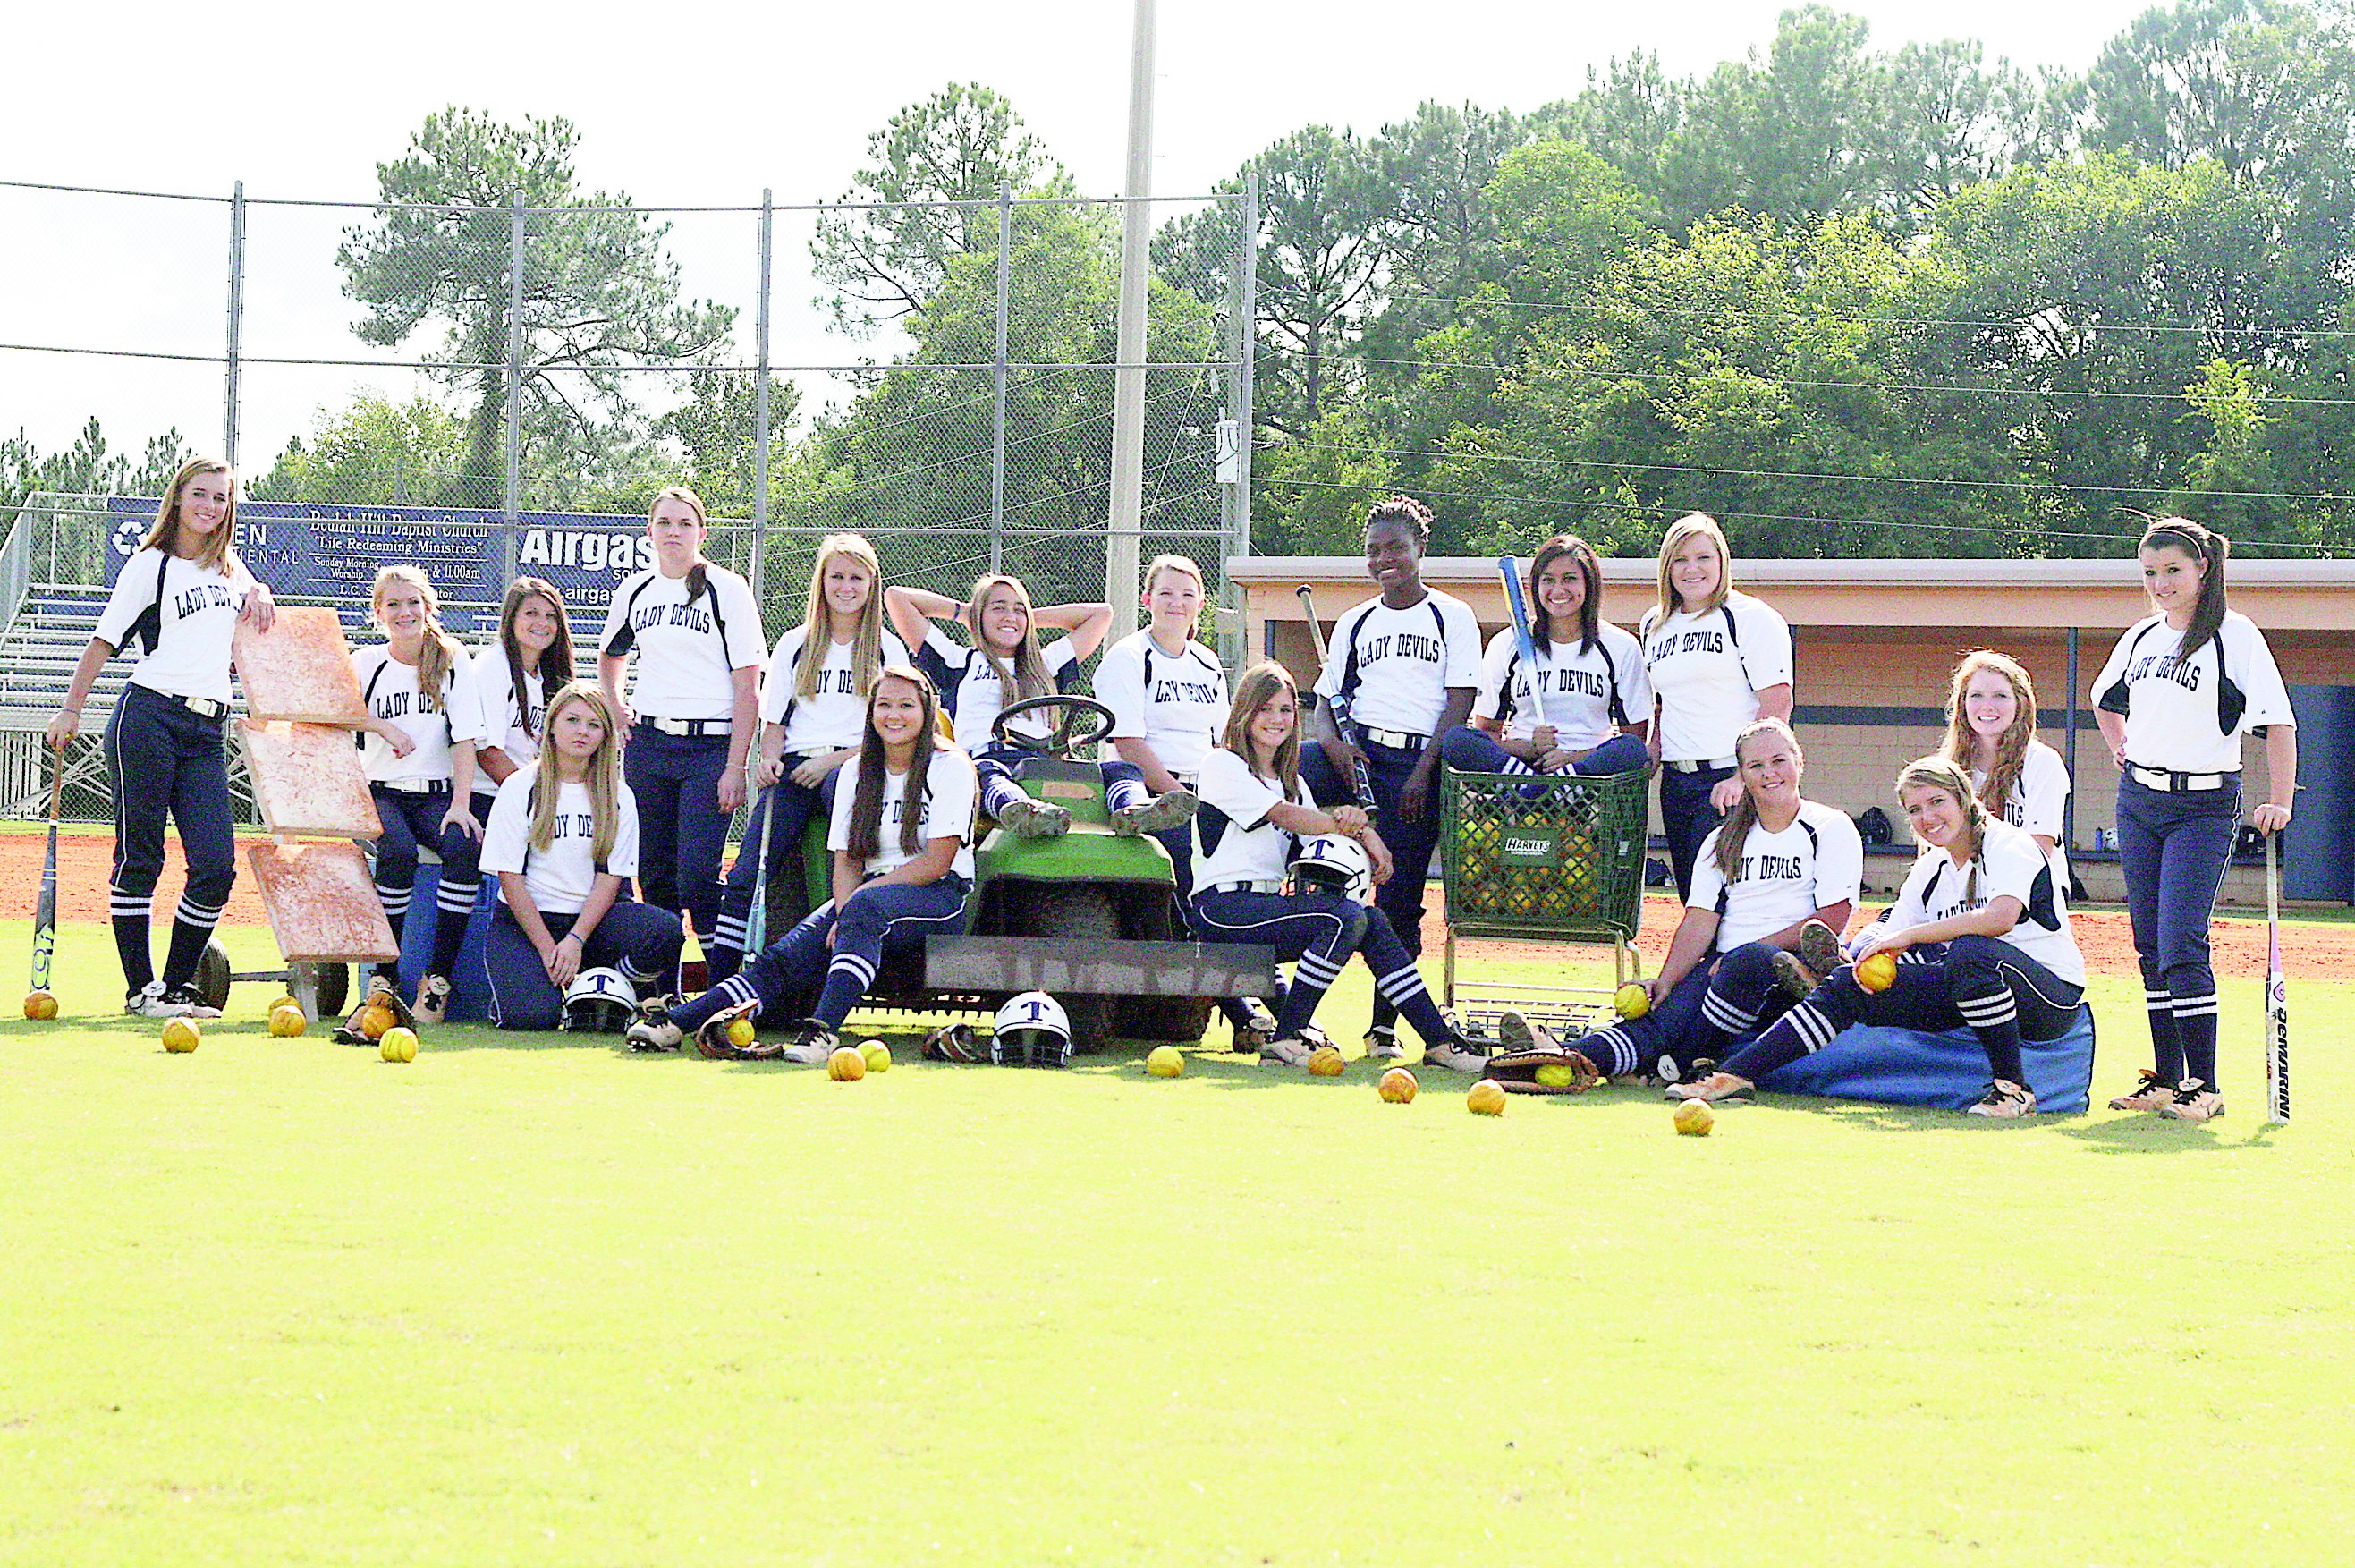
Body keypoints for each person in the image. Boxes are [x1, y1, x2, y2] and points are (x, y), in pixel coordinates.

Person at [1667, 756, 2087, 1117]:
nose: (1928, 818)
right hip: (1972, 987)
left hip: (2050, 999)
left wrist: (1908, 937)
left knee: (1971, 952)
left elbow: (2001, 917)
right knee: (1850, 986)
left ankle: (2013, 1092)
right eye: (1916, 810)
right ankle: (1735, 1075)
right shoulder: (1930, 868)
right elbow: (1891, 926)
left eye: (1937, 802)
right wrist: (1859, 953)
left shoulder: (2007, 844)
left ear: (1964, 798)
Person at [632, 665, 977, 1062]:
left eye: (906, 705)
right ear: (871, 713)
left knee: (863, 910)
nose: (893, 715)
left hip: (938, 897)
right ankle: (676, 1023)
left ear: (926, 711)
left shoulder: (950, 765)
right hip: (866, 898)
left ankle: (822, 1032)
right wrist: (849, 912)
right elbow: (847, 862)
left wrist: (856, 907)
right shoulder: (855, 770)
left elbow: (935, 863)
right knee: (786, 956)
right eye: (884, 705)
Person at [1503, 718, 1859, 1085]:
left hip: (1792, 969)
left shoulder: (1830, 826)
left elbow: (1832, 918)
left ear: (1799, 762)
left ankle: (1665, 1062)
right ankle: (1561, 1059)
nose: (1769, 773)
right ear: (1743, 775)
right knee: (1661, 1016)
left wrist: (1743, 955)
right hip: (1722, 969)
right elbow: (1699, 922)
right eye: (1756, 766)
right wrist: (1667, 981)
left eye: (1778, 760)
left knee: (1746, 964)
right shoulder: (1722, 839)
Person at [47, 457, 275, 1018]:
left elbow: (254, 594)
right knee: (140, 859)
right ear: (178, 498)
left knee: (216, 866)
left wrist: (262, 589)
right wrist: (70, 710)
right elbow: (104, 641)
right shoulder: (149, 565)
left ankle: (176, 987)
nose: (211, 507)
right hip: (147, 719)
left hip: (206, 729)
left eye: (221, 498)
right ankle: (140, 990)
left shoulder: (231, 567)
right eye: (201, 495)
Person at [2093, 518, 2296, 1123]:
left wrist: (2279, 799)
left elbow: (2277, 723)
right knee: (2149, 942)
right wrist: (2118, 747)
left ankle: (2202, 1084)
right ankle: (2165, 1076)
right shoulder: (2138, 638)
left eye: (2171, 570)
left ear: (2201, 568)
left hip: (2203, 805)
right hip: (2139, 799)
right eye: (2149, 572)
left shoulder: (2234, 636)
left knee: (2181, 938)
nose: (2159, 583)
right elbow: (2103, 700)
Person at [1192, 664, 1488, 1071]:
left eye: (1286, 710)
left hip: (1262, 910)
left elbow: (1319, 834)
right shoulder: (1222, 764)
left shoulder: (1290, 780)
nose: (1277, 720)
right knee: (1342, 918)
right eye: (1265, 709)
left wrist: (1362, 835)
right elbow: (1287, 817)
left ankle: (1439, 1043)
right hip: (1221, 913)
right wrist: (1363, 829)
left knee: (1371, 919)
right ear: (1244, 712)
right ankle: (1288, 1037)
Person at [1301, 496, 1483, 1060]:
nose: (1385, 559)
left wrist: (1422, 776)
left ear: (1419, 550)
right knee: (1327, 879)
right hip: (1358, 758)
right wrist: (1333, 746)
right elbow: (1326, 701)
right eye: (1374, 550)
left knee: (1398, 896)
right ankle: (1290, 1011)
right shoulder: (1356, 620)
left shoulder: (1451, 615)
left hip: (1418, 767)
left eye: (1396, 548)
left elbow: (1460, 701)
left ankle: (1384, 1025)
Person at [705, 534, 908, 984]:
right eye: (837, 576)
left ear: (872, 584)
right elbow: (773, 726)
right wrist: (768, 761)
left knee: (851, 860)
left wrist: (833, 762)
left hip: (858, 768)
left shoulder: (887, 648)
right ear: (822, 582)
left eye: (857, 577)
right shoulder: (795, 644)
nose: (846, 587)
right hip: (797, 769)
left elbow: (894, 730)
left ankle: (842, 963)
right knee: (747, 874)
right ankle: (718, 988)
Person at [1093, 554, 1274, 1043]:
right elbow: (1127, 742)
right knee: (1199, 891)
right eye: (1166, 593)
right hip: (1149, 794)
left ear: (1200, 605)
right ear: (1148, 599)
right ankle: (1246, 1007)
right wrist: (1180, 800)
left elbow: (1223, 741)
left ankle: (1269, 994)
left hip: (1206, 793)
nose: (1177, 603)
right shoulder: (1128, 657)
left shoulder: (1208, 663)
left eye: (1188, 594)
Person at [886, 573, 1191, 838]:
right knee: (986, 773)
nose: (1010, 617)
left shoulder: (1046, 664)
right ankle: (1022, 811)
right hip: (990, 758)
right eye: (998, 608)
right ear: (979, 615)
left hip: (1046, 760)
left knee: (1123, 769)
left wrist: (1027, 617)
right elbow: (897, 598)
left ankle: (1134, 811)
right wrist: (968, 612)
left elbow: (1101, 614)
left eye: (1019, 610)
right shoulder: (959, 662)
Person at [597, 486, 764, 970]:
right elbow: (611, 656)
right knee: (653, 872)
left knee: (697, 873)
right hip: (649, 744)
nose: (673, 532)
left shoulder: (726, 589)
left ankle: (722, 979)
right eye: (664, 523)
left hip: (710, 747)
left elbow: (748, 686)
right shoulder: (636, 590)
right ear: (650, 531)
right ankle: (661, 984)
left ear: (702, 533)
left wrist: (736, 765)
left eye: (684, 523)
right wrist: (616, 704)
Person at [411, 574, 575, 1024]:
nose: (541, 623)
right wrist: (541, 797)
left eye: (549, 615)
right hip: (492, 795)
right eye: (530, 614)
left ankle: (593, 983)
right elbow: (485, 751)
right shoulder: (493, 666)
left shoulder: (554, 676)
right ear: (511, 620)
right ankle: (437, 980)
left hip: (536, 798)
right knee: (466, 854)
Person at [479, 682, 683, 1031]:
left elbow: (610, 878)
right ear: (552, 725)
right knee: (533, 1019)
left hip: (592, 925)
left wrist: (575, 941)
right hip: (527, 925)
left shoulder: (618, 795)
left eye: (593, 724)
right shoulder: (520, 787)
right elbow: (509, 880)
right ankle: (521, 993)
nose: (581, 731)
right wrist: (548, 950)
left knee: (665, 931)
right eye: (572, 720)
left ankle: (614, 986)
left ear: (605, 735)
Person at [1639, 513, 1794, 902]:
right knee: (1692, 894)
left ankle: (1731, 965)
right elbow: (1663, 704)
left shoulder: (1750, 617)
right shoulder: (1654, 624)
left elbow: (1777, 705)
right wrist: (1652, 753)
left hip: (1729, 780)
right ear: (1666, 567)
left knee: (1724, 898)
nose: (1692, 569)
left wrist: (1745, 776)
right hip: (1677, 781)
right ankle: (1705, 963)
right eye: (1680, 559)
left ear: (1722, 561)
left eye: (1703, 557)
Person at [352, 565, 487, 1005]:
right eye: (393, 604)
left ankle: (438, 978)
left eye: (413, 602)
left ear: (428, 607)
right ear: (378, 611)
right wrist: (382, 727)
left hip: (435, 792)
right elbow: (337, 714)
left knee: (463, 847)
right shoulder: (366, 662)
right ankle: (385, 976)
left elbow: (465, 738)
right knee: (398, 852)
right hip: (380, 790)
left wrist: (461, 805)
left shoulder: (451, 660)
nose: (404, 612)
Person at [1440, 533, 1651, 780]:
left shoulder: (1620, 646)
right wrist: (1530, 748)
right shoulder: (1508, 643)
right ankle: (1537, 791)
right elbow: (1487, 731)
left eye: (1570, 579)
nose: (1558, 590)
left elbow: (1634, 736)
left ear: (1588, 584)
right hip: (1521, 767)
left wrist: (1571, 758)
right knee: (1457, 738)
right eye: (1548, 580)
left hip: (1588, 773)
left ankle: (1553, 791)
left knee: (1632, 750)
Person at [1939, 648, 2070, 876]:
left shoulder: (2041, 762)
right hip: (1964, 890)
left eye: (2000, 696)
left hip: (2027, 892)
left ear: (2020, 704)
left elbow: (2038, 850)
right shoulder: (1948, 768)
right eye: (1976, 695)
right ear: (1962, 704)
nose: (1987, 706)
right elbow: (1936, 849)